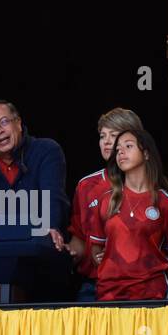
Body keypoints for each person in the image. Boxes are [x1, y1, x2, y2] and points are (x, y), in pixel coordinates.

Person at [0, 99, 70, 245]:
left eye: (4, 122)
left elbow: (53, 198)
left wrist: (52, 227)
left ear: (18, 123)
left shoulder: (46, 150)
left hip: (37, 246)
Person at [86, 128, 168, 301]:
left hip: (151, 293)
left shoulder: (164, 202)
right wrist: (108, 260)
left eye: (128, 146)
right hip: (110, 293)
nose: (121, 152)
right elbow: (96, 249)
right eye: (118, 149)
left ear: (146, 154)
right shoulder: (107, 200)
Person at [65, 108, 144, 301]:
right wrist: (67, 250)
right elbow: (79, 238)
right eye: (102, 136)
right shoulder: (87, 186)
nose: (107, 141)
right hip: (94, 287)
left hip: (142, 287)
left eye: (114, 135)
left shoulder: (152, 187)